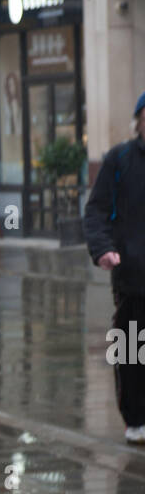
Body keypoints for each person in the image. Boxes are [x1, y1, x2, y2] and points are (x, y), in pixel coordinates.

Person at [84, 91, 145, 443]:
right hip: (132, 279)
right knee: (130, 352)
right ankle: (135, 418)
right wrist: (103, 249)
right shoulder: (119, 160)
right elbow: (96, 212)